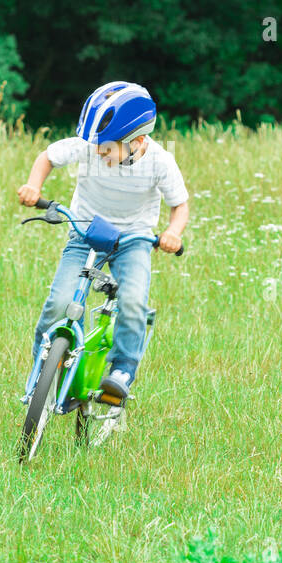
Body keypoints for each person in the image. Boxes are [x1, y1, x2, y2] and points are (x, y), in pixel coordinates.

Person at [17, 82, 189, 406]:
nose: (98, 152)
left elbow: (179, 205)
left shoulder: (160, 161)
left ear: (137, 142)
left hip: (133, 240)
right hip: (86, 233)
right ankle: (45, 370)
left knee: (133, 301)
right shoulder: (90, 144)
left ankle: (122, 369)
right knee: (60, 302)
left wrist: (173, 232)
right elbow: (47, 157)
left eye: (107, 149)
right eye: (96, 146)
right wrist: (33, 185)